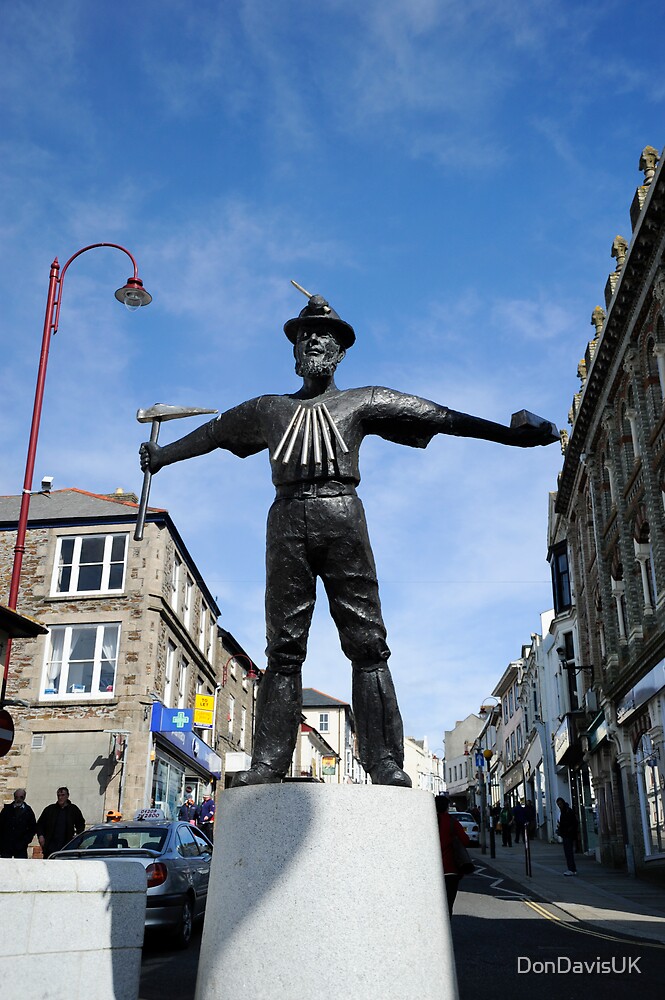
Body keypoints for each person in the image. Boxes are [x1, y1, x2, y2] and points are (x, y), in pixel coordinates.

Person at [140, 291, 557, 788]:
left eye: (324, 336)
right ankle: (269, 761)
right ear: (294, 350)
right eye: (304, 337)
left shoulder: (363, 401)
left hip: (341, 515)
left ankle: (384, 761)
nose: (313, 342)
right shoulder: (269, 409)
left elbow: (439, 417)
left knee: (368, 643)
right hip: (286, 519)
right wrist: (162, 456)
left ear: (340, 351)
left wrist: (508, 435)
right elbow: (212, 433)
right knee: (283, 647)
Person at [435, 795, 470, 916]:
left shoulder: (427, 822)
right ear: (447, 807)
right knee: (448, 905)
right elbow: (465, 841)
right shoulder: (451, 822)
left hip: (431, 872)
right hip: (450, 871)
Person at [36, 787, 85, 858]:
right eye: (58, 795)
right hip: (51, 846)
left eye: (62, 795)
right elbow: (40, 824)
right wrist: (41, 836)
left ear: (67, 796)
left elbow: (80, 823)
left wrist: (77, 836)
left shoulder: (73, 809)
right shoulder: (50, 809)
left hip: (67, 845)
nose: (60, 797)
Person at [0, 788, 37, 858]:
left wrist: (26, 840)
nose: (18, 799)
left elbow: (32, 828)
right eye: (16, 797)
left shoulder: (28, 811)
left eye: (21, 797)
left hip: (21, 847)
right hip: (6, 846)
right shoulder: (7, 810)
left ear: (24, 797)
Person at [556, 796, 578, 875]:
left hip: (568, 834)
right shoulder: (564, 811)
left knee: (568, 852)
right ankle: (572, 869)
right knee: (568, 852)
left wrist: (566, 830)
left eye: (560, 804)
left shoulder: (567, 811)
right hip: (566, 834)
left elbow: (573, 823)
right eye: (558, 804)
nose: (559, 806)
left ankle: (571, 869)